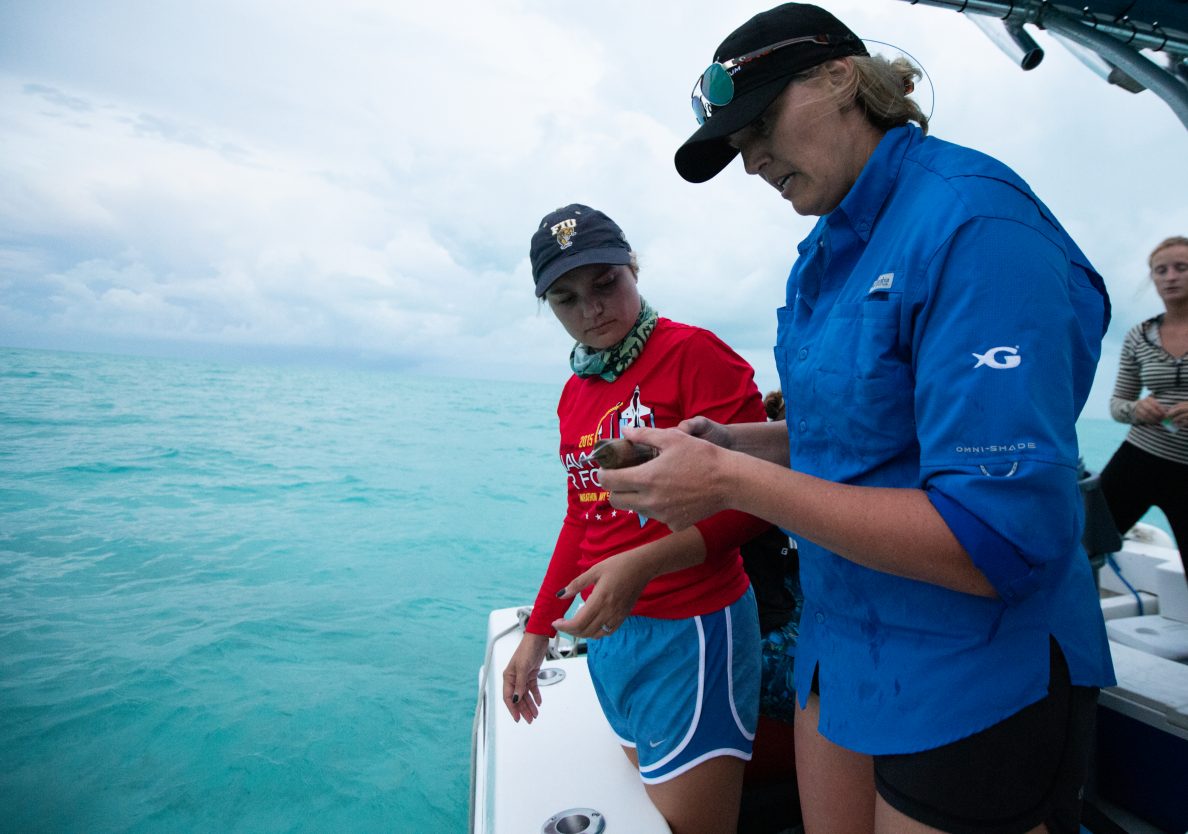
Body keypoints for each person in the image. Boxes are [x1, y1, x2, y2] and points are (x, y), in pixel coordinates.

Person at [599, 5, 1116, 833]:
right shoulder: (826, 250)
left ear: (843, 75)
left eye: (761, 121)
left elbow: (999, 538)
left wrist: (733, 480)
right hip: (842, 649)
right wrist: (731, 442)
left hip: (973, 668)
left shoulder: (974, 225)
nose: (753, 159)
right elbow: (862, 433)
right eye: (738, 143)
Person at [501, 203, 772, 834]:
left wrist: (643, 564)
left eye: (605, 284)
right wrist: (539, 632)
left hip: (693, 631)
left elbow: (759, 500)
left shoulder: (696, 354)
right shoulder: (575, 394)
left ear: (634, 269)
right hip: (611, 637)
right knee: (648, 809)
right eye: (566, 298)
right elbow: (582, 518)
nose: (591, 310)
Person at [1099, 236, 1188, 575]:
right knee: (1086, 543)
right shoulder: (1140, 334)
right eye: (1160, 271)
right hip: (1139, 459)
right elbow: (1117, 404)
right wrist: (1137, 410)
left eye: (1181, 268)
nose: (1170, 277)